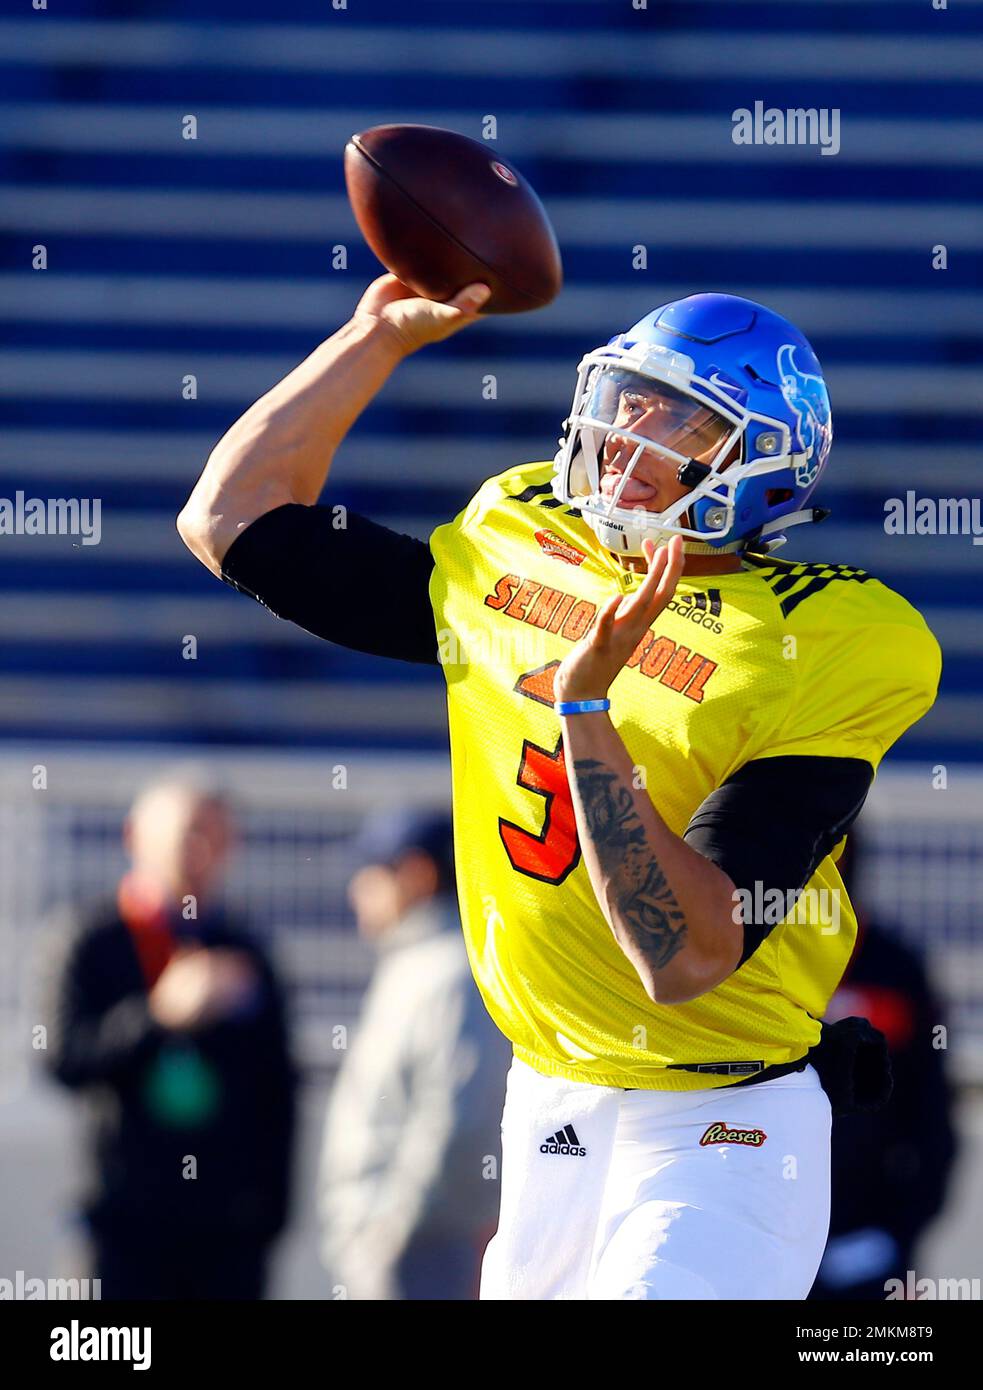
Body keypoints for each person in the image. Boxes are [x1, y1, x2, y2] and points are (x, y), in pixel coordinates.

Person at [177, 276, 941, 1300]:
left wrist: (586, 717)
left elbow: (684, 951)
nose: (628, 434)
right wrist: (373, 341)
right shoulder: (517, 530)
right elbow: (233, 517)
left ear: (760, 458)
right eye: (627, 398)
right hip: (549, 1105)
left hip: (721, 1121)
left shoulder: (824, 639)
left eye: (678, 416)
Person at [41, 773, 296, 1300]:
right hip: (122, 1223)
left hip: (226, 1234)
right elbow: (62, 1060)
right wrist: (157, 1018)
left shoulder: (245, 950)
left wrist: (271, 1216)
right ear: (136, 837)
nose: (201, 851)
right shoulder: (89, 940)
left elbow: (278, 1091)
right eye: (187, 834)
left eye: (215, 836)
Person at [318, 810, 510, 1300]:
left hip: (425, 1248)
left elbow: (459, 1121)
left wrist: (391, 1231)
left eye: (373, 875)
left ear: (418, 875)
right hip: (406, 1243)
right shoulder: (418, 963)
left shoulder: (450, 972)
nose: (357, 891)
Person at [809, 830, 958, 1300]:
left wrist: (900, 1236)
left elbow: (932, 1116)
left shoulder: (897, 970)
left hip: (869, 1255)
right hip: (759, 1238)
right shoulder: (737, 971)